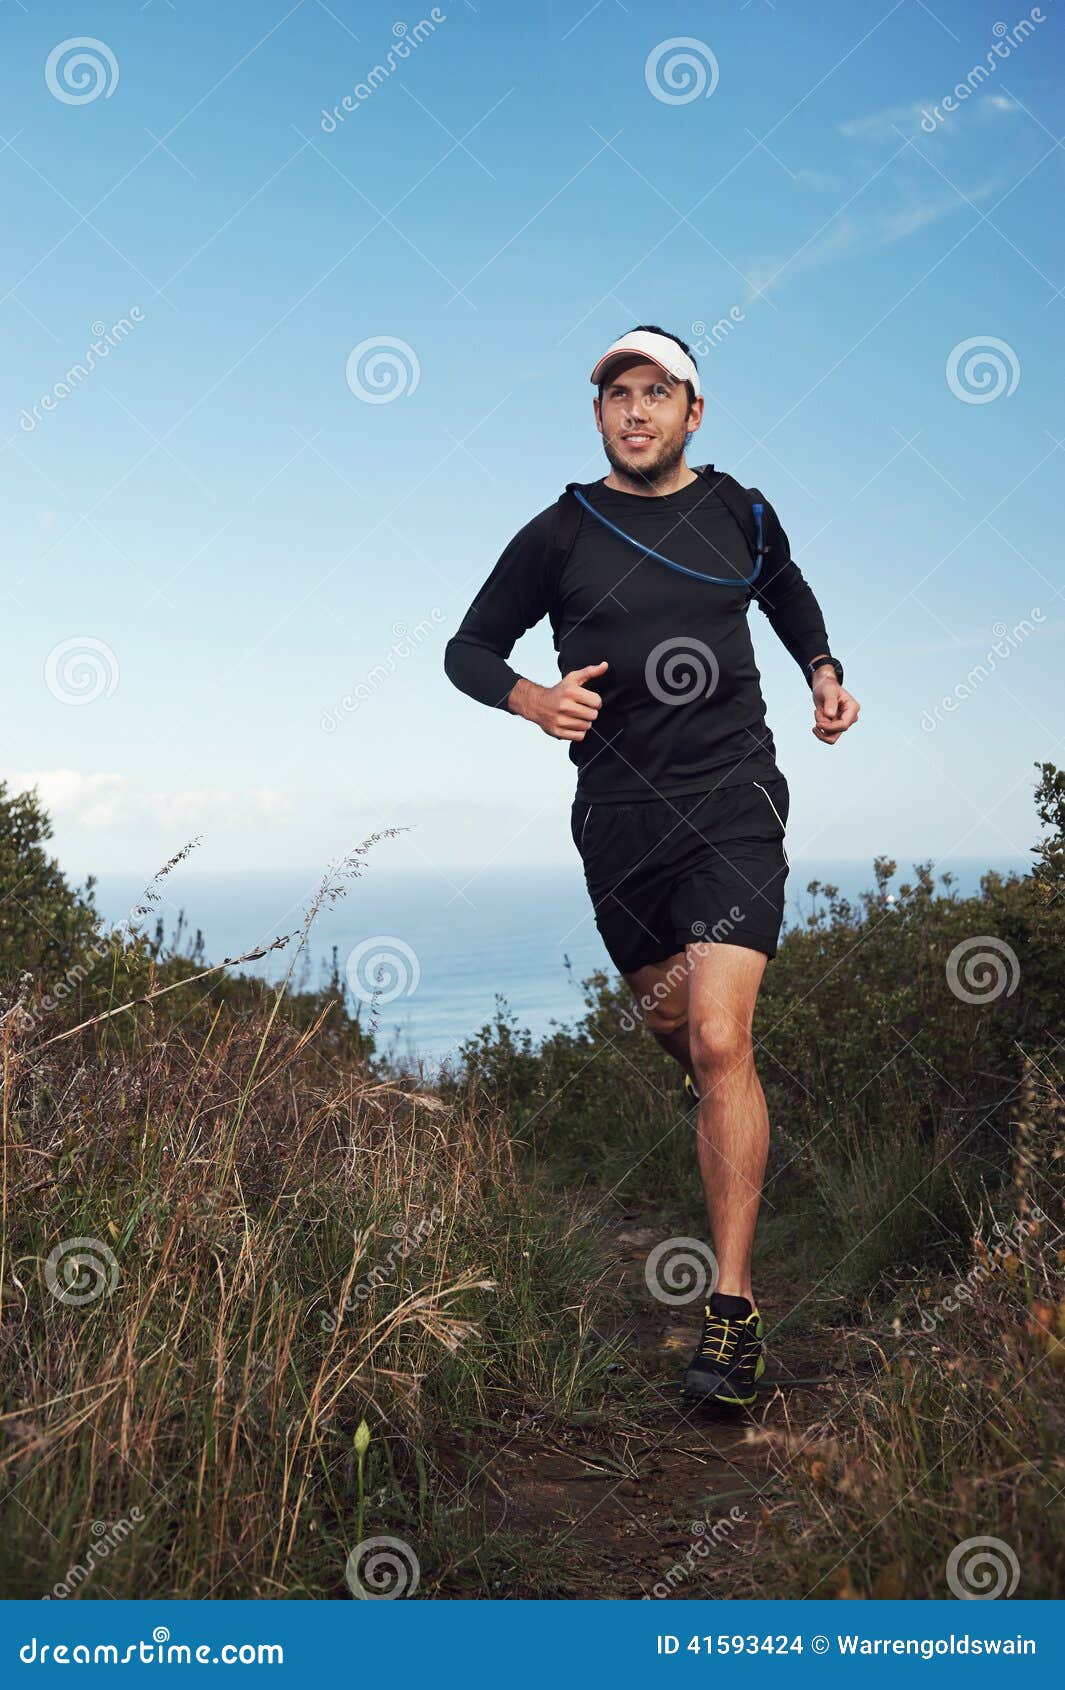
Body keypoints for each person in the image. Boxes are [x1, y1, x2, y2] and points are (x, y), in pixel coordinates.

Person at [444, 325, 860, 1405]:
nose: (635, 410)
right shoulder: (561, 529)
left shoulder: (740, 512)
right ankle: (738, 1134)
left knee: (722, 1035)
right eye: (617, 395)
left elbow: (789, 590)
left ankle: (731, 1311)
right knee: (679, 1034)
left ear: (694, 412)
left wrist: (822, 669)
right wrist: (532, 699)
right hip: (619, 816)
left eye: (657, 392)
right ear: (598, 416)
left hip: (733, 799)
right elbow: (468, 646)